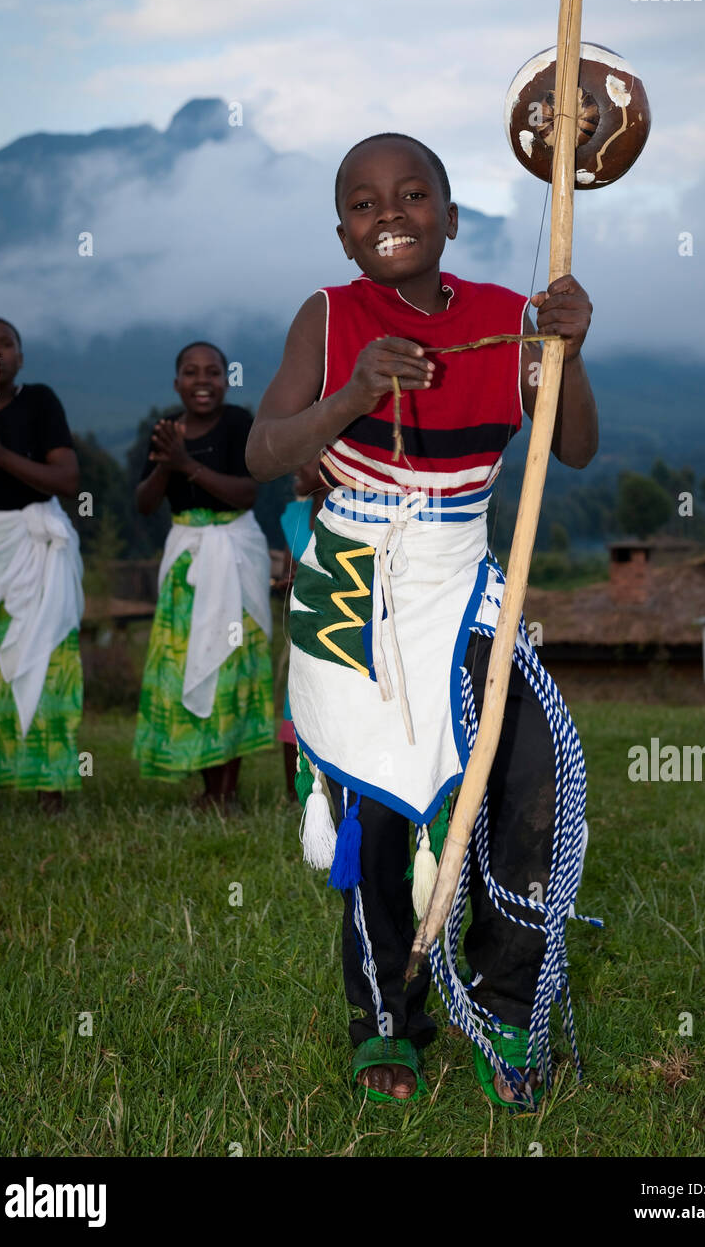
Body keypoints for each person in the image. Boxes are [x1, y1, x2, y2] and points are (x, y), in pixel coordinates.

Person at [246, 133, 597, 1106]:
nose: (388, 214)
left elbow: (572, 445)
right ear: (344, 234)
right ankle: (385, 1020)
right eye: (363, 204)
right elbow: (265, 449)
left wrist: (567, 345)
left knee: (525, 779)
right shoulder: (327, 317)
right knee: (376, 802)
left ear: (449, 211)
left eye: (411, 195)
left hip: (465, 574)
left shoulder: (505, 316)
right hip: (354, 576)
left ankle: (509, 1010)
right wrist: (354, 391)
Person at [133, 341, 273, 812]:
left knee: (230, 664)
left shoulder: (237, 424)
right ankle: (206, 782)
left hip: (234, 552)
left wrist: (188, 466)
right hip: (187, 561)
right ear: (177, 383)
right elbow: (145, 503)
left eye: (212, 372)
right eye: (191, 373)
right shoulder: (165, 430)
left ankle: (226, 791)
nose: (202, 381)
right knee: (190, 661)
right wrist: (165, 465)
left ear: (225, 379)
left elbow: (246, 494)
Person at [0, 317, 83, 813]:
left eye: (5, 343)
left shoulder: (39, 401)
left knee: (46, 665)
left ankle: (50, 787)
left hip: (34, 551)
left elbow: (68, 480)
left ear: (21, 357)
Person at [275, 458, 328, 799]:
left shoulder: (350, 518)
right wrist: (289, 582)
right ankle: (296, 792)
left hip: (340, 628)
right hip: (304, 627)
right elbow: (288, 570)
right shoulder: (294, 518)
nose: (293, 466)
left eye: (302, 458)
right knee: (295, 704)